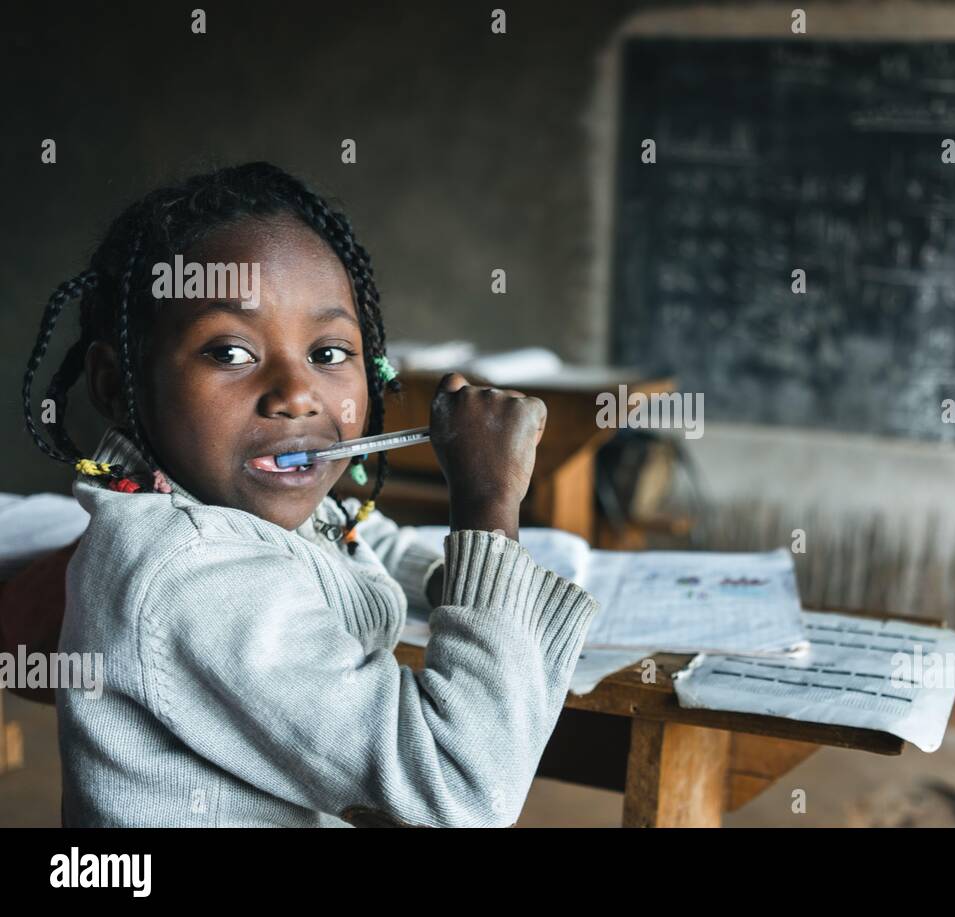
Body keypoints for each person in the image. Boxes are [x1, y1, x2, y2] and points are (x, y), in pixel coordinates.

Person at [21, 162, 598, 827]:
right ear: (116, 384)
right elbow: (462, 790)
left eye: (328, 354)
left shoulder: (204, 494)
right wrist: (488, 504)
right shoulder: (190, 570)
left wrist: (452, 577)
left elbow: (345, 534)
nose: (297, 393)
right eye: (230, 352)